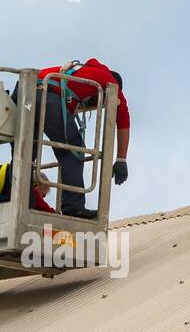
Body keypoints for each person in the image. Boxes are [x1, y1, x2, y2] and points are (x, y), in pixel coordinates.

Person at [28, 58, 130, 218]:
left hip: (25, 87)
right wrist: (121, 160)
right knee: (74, 151)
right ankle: (73, 207)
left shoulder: (80, 73)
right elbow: (123, 119)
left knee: (26, 151)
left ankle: (18, 191)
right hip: (45, 94)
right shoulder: (111, 83)